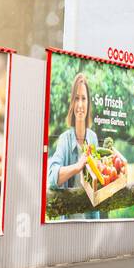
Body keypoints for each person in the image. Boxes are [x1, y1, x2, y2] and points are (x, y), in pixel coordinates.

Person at [46, 72, 99, 219]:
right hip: (69, 223)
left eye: (83, 98)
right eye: (76, 99)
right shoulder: (64, 140)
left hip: (91, 220)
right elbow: (51, 179)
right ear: (72, 103)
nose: (80, 104)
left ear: (88, 103)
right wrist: (77, 166)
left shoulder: (93, 139)